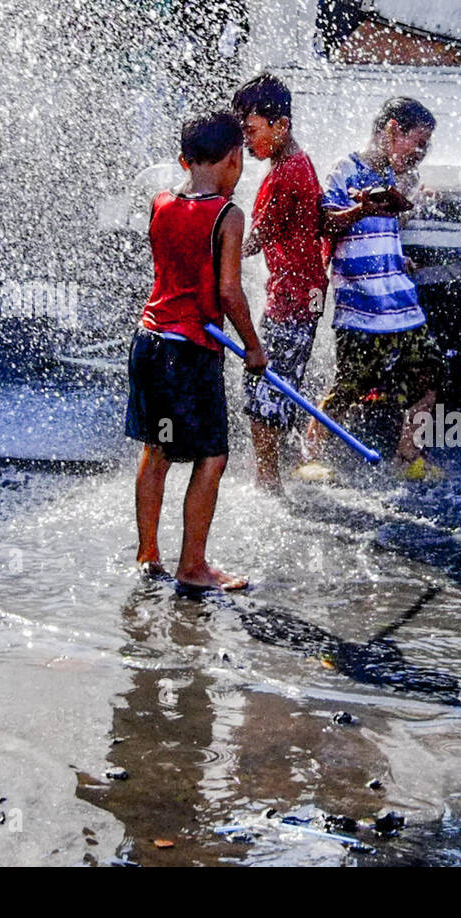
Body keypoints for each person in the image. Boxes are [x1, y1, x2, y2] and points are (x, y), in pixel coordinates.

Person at [125, 111, 268, 590]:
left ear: (185, 159)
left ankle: (148, 553)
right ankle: (193, 567)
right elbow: (229, 292)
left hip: (149, 344)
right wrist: (253, 348)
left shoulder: (160, 203)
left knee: (159, 448)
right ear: (234, 159)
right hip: (189, 353)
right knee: (211, 457)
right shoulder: (228, 216)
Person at [318, 96, 445, 477]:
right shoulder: (346, 169)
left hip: (400, 305)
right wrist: (363, 209)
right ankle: (313, 454)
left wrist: (397, 256)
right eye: (418, 143)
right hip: (361, 305)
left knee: (430, 375)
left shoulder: (391, 178)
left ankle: (409, 458)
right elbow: (326, 225)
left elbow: (384, 230)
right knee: (350, 386)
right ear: (392, 130)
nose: (422, 153)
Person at [231, 73, 329, 492]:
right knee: (283, 383)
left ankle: (267, 480)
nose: (246, 142)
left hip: (290, 297)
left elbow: (257, 239)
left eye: (251, 131)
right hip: (305, 294)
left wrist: (214, 247)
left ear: (280, 125)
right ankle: (277, 472)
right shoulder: (298, 162)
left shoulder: (284, 174)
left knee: (263, 385)